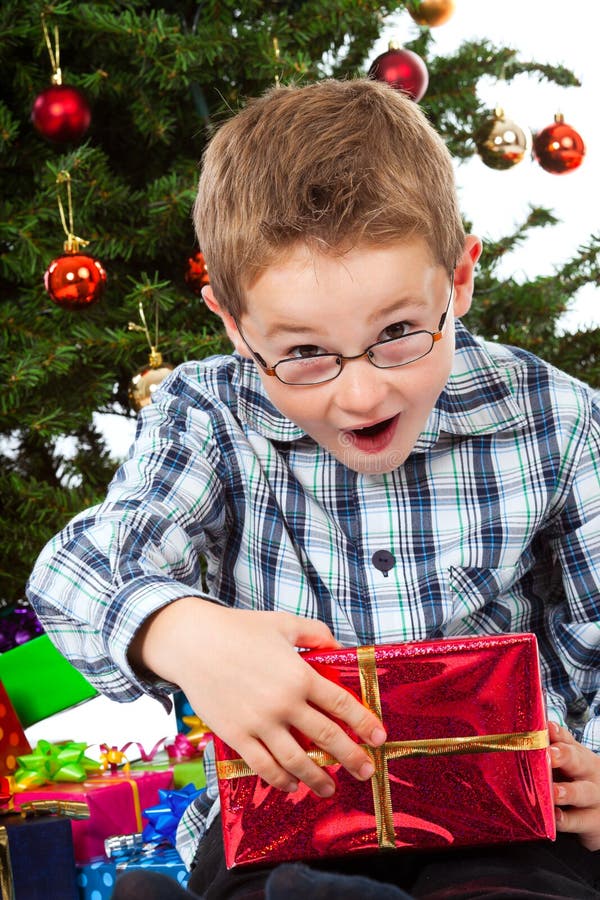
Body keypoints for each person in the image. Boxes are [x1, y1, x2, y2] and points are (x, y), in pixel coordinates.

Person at [27, 78, 600, 899]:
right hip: (284, 820)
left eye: (398, 333)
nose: (361, 395)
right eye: (303, 353)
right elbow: (74, 571)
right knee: (274, 887)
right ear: (233, 323)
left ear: (458, 280)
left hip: (511, 825)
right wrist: (183, 634)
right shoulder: (207, 413)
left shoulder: (557, 419)